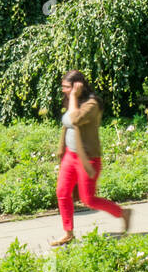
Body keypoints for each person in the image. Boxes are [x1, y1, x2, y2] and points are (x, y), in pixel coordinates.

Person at [49, 70, 131, 247]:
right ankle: (68, 233)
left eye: (67, 87)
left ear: (78, 86)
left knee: (88, 199)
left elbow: (75, 119)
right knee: (62, 193)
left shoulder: (92, 104)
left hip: (87, 159)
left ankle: (123, 213)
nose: (64, 90)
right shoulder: (74, 101)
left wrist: (73, 96)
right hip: (70, 156)